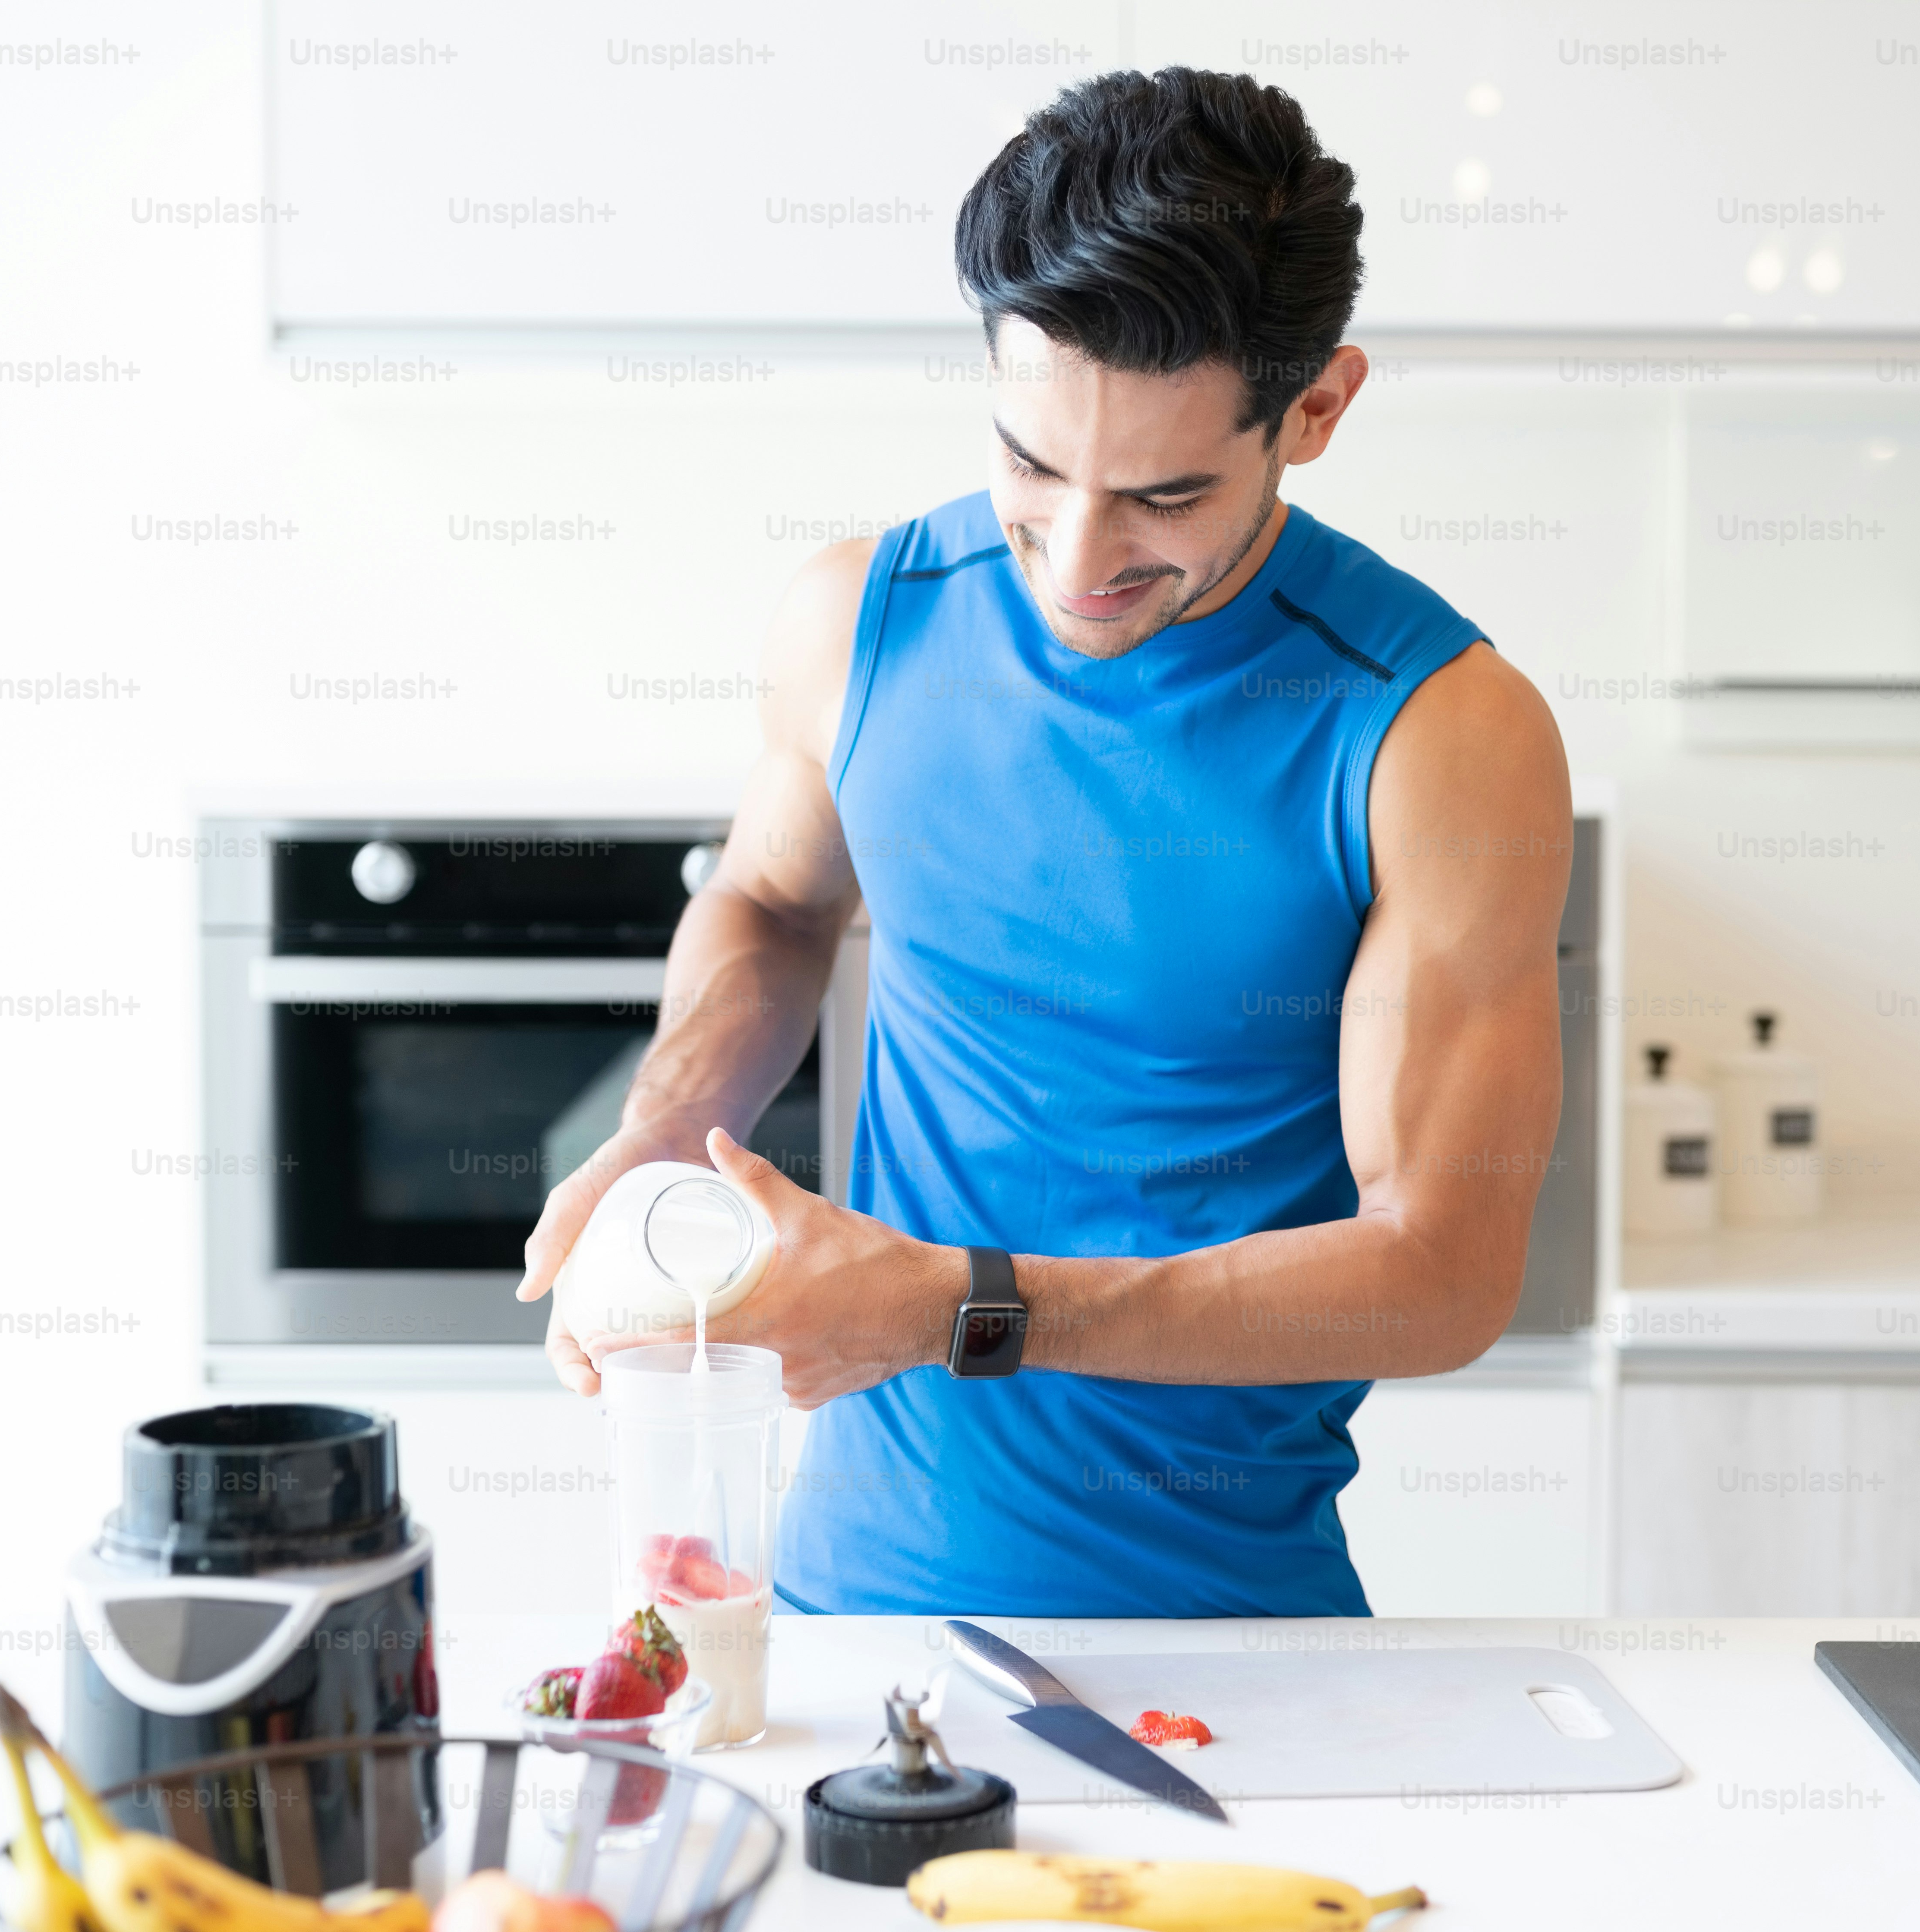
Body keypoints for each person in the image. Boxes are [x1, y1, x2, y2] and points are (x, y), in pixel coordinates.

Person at [517, 67, 1570, 1618]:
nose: (1076, 559)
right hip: (831, 1614)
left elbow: (1443, 1271)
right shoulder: (860, 623)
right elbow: (771, 900)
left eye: (1165, 493)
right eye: (1029, 463)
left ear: (1319, 409)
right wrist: (675, 1120)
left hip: (1234, 1654)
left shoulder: (1435, 733)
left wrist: (962, 1308)